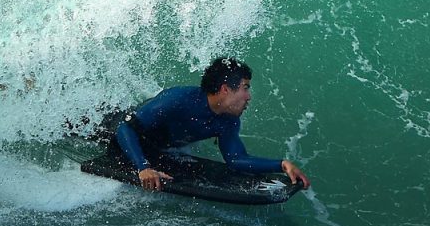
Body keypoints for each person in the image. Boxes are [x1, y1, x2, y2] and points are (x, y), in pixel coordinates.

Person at [114, 57, 311, 192]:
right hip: (117, 133)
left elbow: (235, 159)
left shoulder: (228, 120)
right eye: (245, 88)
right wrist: (143, 167)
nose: (248, 97)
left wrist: (281, 165)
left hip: (156, 147)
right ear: (225, 89)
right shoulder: (177, 99)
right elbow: (125, 128)